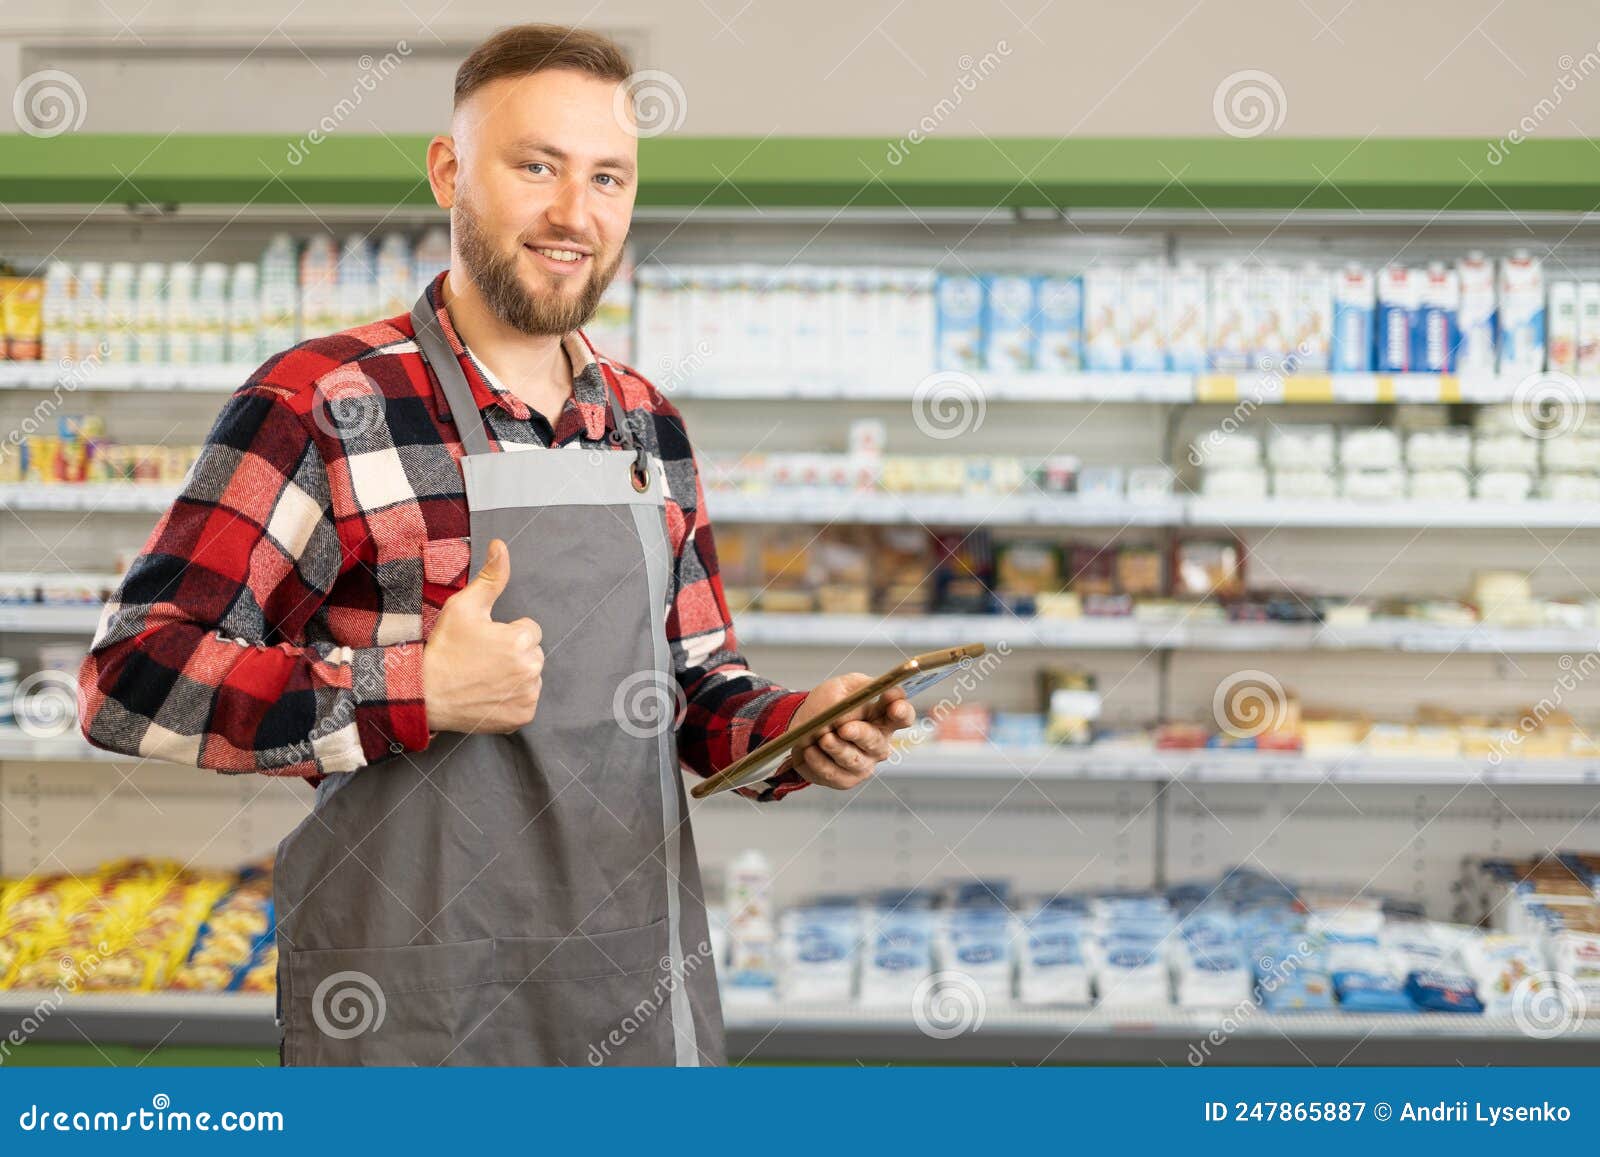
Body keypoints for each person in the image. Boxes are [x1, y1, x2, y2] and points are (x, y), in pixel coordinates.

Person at [76, 22, 916, 1066]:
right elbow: (130, 679)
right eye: (536, 167)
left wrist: (799, 728)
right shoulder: (322, 402)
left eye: (608, 177)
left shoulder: (647, 424)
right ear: (448, 172)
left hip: (629, 989)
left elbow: (696, 688)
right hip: (406, 1012)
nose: (575, 213)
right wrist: (413, 689)